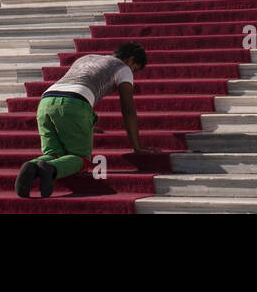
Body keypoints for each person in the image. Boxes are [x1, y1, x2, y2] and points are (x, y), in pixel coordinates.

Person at [15, 41, 158, 199]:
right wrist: (137, 146)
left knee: (53, 153)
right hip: (75, 104)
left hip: (46, 102)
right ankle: (50, 168)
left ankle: (32, 165)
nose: (133, 72)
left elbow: (79, 84)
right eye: (135, 69)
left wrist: (84, 125)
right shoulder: (123, 68)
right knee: (81, 158)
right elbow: (128, 109)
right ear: (131, 60)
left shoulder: (86, 58)